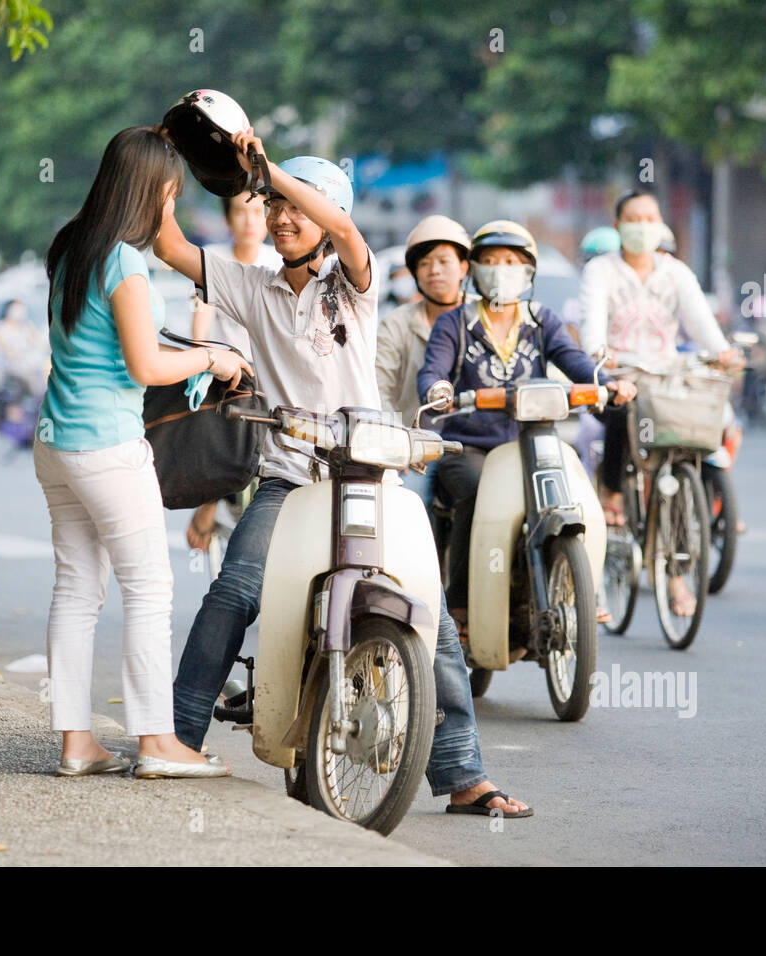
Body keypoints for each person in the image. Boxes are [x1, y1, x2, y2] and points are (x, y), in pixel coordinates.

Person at [154, 127, 534, 818]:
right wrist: (164, 162)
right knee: (235, 592)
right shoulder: (249, 286)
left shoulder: (353, 284)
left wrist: (270, 170)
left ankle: (463, 774)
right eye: (272, 205)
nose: (283, 217)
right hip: (288, 481)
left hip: (368, 479)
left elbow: (343, 227)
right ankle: (175, 736)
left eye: (295, 206)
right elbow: (170, 246)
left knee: (435, 624)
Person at [35, 126, 249, 779]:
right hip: (107, 447)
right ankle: (157, 743)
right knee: (150, 589)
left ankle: (77, 744)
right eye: (172, 195)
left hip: (56, 446)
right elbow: (145, 362)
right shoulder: (124, 261)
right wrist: (212, 356)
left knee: (76, 589)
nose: (173, 210)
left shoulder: (72, 247)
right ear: (153, 191)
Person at [417, 220, 636, 629]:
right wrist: (437, 389)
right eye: (490, 261)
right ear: (474, 270)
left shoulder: (542, 321)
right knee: (476, 493)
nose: (501, 269)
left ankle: (588, 591)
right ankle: (460, 604)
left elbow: (576, 363)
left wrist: (606, 385)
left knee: (575, 493)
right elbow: (433, 371)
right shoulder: (454, 324)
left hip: (533, 443)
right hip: (470, 446)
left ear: (527, 272)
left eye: (511, 261)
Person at [578, 187, 741, 618]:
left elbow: (703, 325)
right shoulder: (601, 271)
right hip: (622, 375)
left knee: (688, 448)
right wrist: (600, 352)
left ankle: (675, 575)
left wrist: (722, 351)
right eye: (634, 219)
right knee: (619, 408)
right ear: (618, 226)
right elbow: (591, 323)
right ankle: (612, 491)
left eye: (651, 218)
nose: (643, 226)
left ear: (661, 225)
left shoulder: (677, 273)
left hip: (668, 377)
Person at [184, 190, 284, 554]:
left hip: (272, 376)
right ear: (228, 219)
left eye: (259, 212)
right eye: (241, 212)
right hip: (226, 376)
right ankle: (209, 498)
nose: (250, 220)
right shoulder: (214, 263)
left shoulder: (279, 263)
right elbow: (202, 317)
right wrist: (202, 351)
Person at [375, 214, 470, 504]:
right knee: (405, 505)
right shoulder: (395, 324)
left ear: (464, 267)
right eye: (425, 264)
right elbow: (380, 388)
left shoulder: (483, 319)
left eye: (443, 261)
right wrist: (397, 442)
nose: (434, 271)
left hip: (476, 443)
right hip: (414, 445)